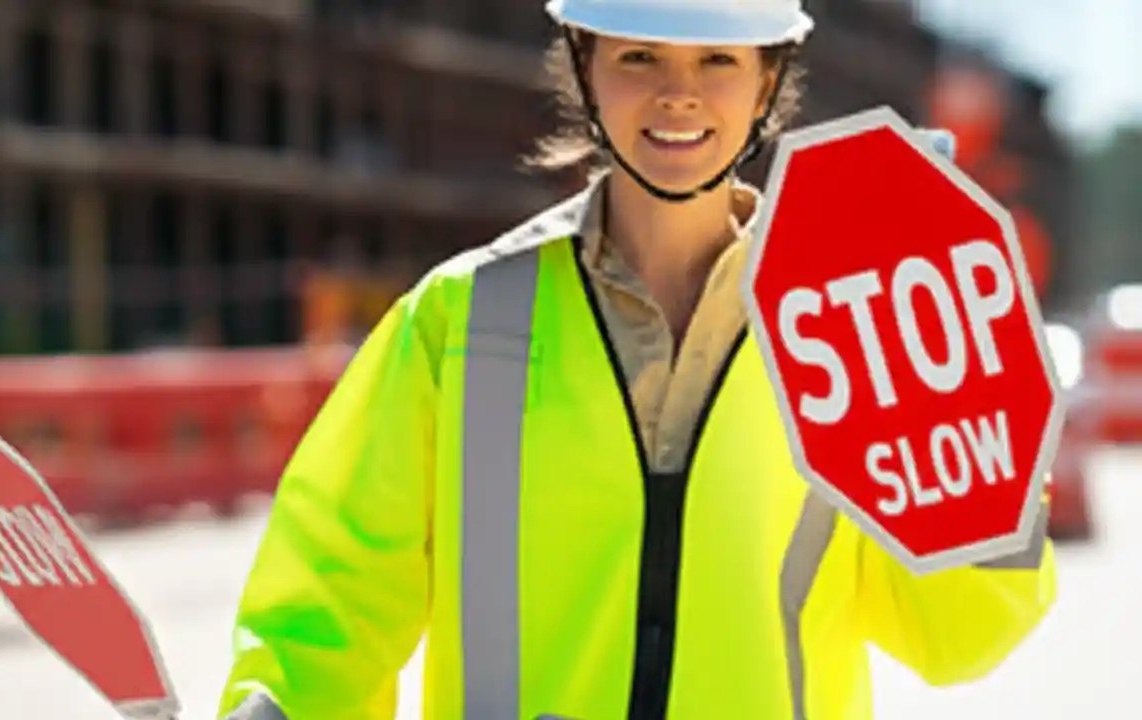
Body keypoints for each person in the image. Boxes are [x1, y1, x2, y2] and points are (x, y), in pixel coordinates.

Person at [215, 1, 1056, 718]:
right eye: (638, 55)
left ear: (768, 81)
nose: (678, 92)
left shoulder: (849, 324)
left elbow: (960, 635)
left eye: (718, 58)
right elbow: (333, 598)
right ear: (582, 68)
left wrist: (993, 465)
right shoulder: (460, 320)